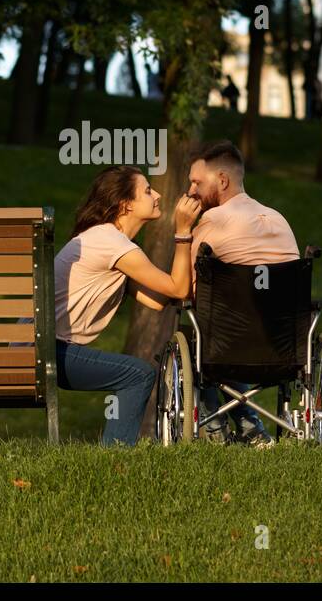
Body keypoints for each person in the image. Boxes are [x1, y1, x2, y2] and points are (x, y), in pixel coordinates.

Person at [52, 165, 202, 445]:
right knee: (138, 373)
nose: (157, 194)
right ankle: (115, 459)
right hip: (51, 352)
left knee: (136, 373)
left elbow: (157, 301)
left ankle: (115, 454)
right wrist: (183, 232)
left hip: (44, 350)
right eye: (147, 190)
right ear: (125, 205)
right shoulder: (112, 243)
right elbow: (177, 288)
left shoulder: (108, 242)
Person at [185, 140, 299, 447]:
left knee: (197, 330)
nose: (191, 191)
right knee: (233, 325)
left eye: (197, 182)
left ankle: (215, 431)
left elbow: (186, 288)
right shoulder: (279, 219)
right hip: (284, 349)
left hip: (227, 348)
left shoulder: (213, 221)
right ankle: (252, 428)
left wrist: (182, 232)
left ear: (222, 180)